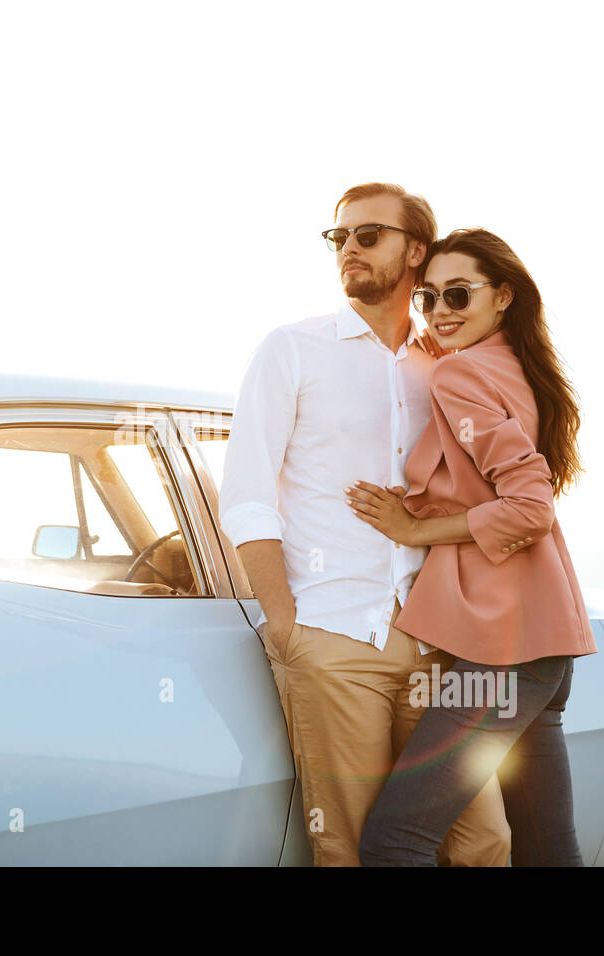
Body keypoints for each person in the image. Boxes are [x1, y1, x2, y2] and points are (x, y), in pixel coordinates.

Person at [219, 184, 512, 867]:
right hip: (333, 638)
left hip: (435, 639)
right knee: (347, 849)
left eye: (367, 234)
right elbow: (247, 496)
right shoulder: (291, 349)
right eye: (339, 237)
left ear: (415, 250)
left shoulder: (441, 365)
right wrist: (287, 626)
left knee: (483, 841)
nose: (348, 248)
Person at [347, 227, 599, 866]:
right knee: (547, 848)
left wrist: (413, 530)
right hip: (545, 644)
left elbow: (530, 508)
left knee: (395, 840)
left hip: (504, 651)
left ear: (503, 296)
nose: (440, 312)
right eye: (427, 298)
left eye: (458, 295)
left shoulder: (461, 374)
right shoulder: (515, 364)